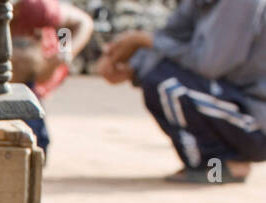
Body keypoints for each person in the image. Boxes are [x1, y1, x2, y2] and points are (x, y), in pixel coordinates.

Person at [98, 0, 266, 184]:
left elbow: (209, 64)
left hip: (255, 121)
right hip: (229, 105)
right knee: (157, 77)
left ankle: (223, 164)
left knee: (167, 85)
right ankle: (220, 161)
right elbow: (169, 37)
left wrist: (142, 41)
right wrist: (131, 65)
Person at [0, 0, 94, 154]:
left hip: (29, 83)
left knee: (33, 137)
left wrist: (65, 52)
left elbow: (74, 25)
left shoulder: (35, 8)